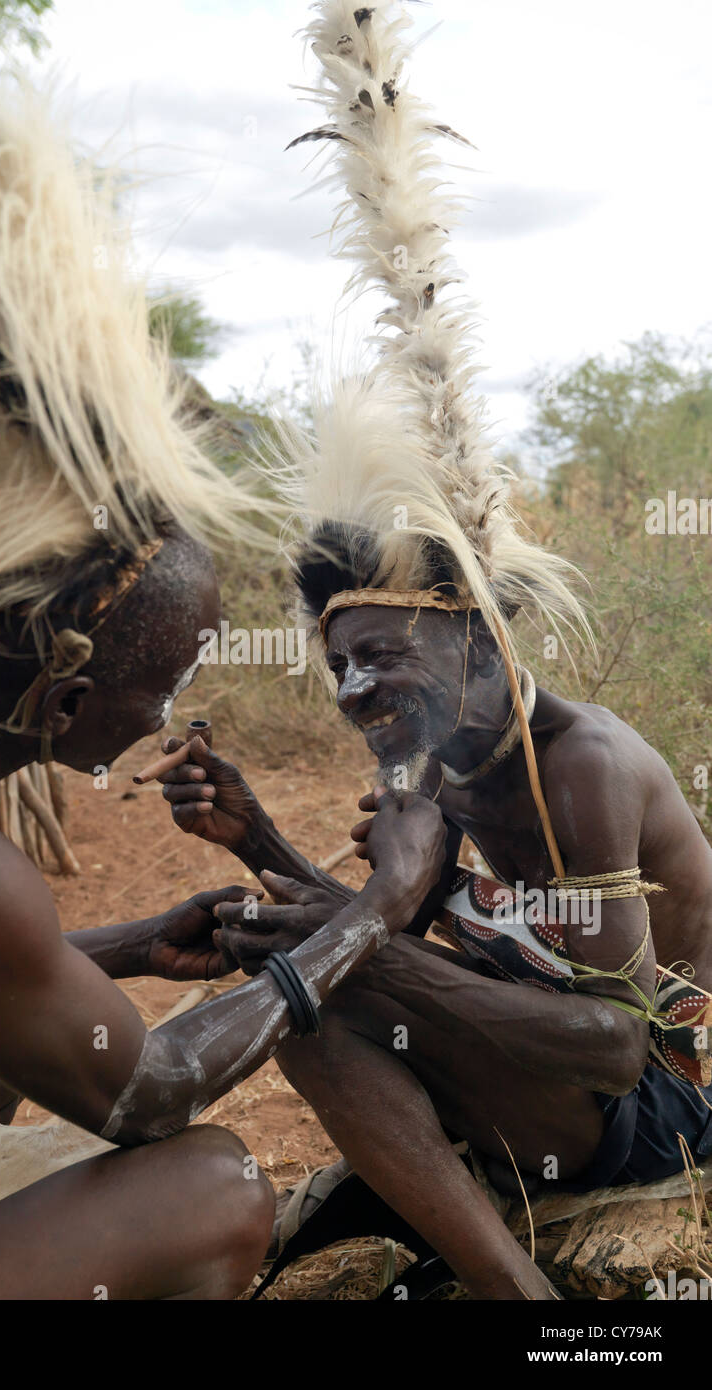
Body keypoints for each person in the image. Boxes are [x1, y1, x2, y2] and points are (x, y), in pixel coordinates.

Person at [0, 67, 447, 1299]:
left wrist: (140, 943)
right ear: (63, 688)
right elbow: (146, 1099)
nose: (172, 711)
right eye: (164, 678)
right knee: (213, 1189)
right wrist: (376, 909)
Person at [155, 0, 712, 1301]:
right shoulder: (436, 753)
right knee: (301, 972)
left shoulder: (577, 770)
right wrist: (255, 844)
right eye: (340, 663)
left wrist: (370, 926)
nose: (356, 692)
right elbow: (380, 919)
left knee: (325, 980)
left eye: (385, 657)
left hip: (660, 1101)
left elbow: (601, 1041)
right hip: (550, 1078)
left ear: (474, 637)